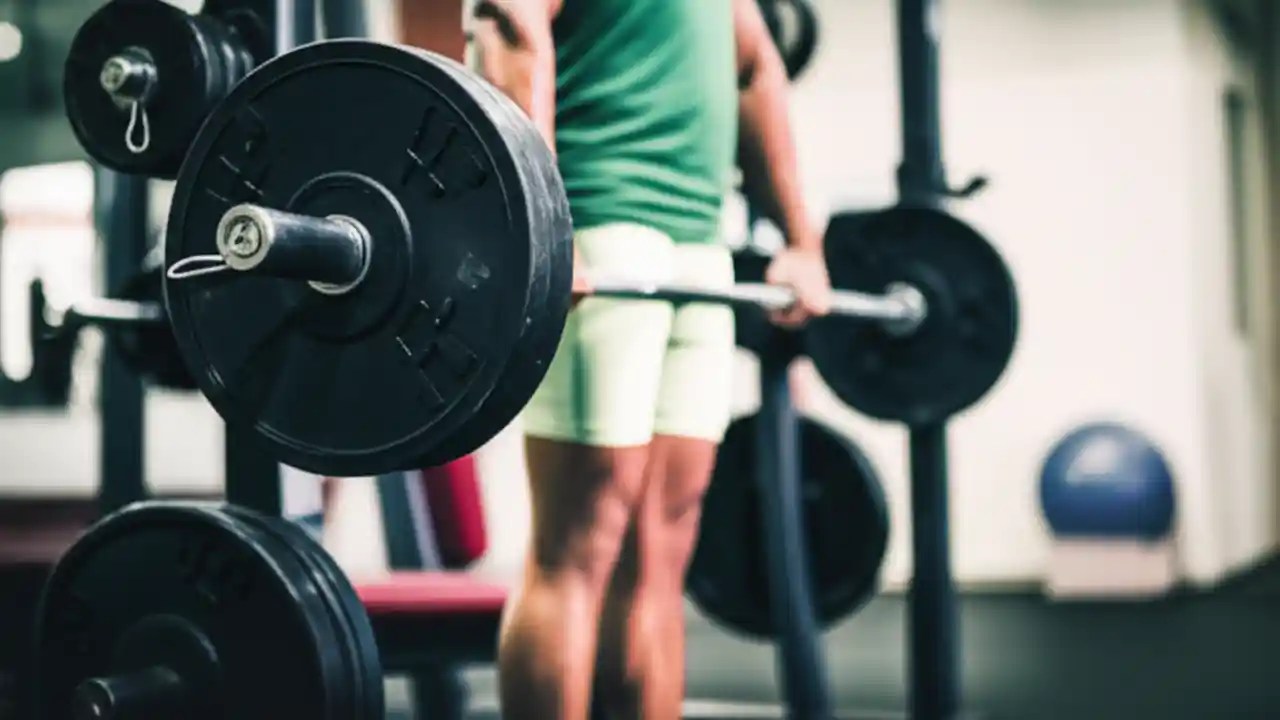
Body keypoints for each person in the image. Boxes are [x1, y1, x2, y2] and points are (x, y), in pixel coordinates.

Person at [472, 1, 831, 718]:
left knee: (663, 547)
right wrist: (544, 217)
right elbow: (507, 18)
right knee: (575, 547)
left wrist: (801, 240)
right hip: (601, 230)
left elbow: (754, 64)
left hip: (699, 248)